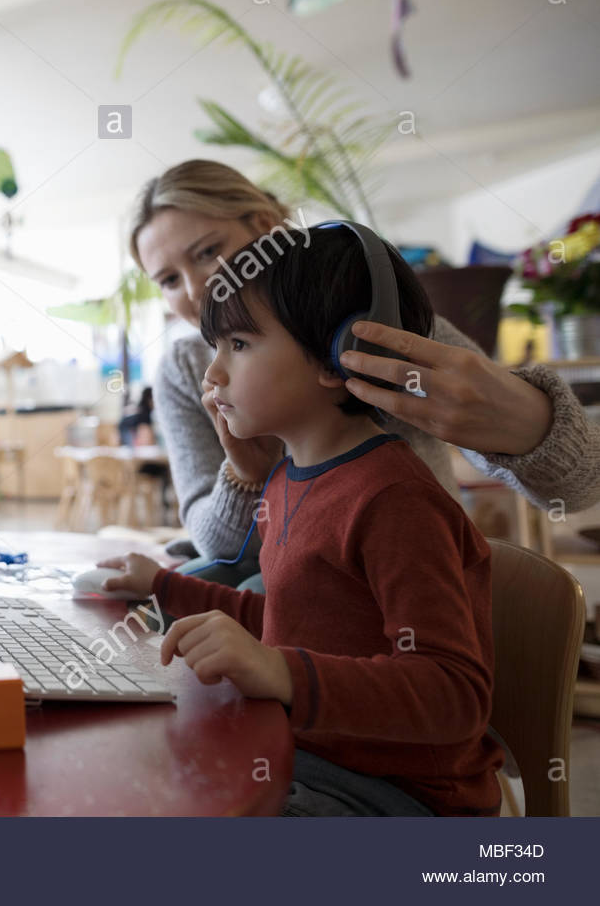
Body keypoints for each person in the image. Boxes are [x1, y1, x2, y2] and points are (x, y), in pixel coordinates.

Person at [100, 226, 502, 816]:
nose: (212, 375)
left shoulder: (394, 499)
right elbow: (302, 625)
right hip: (312, 757)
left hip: (396, 794)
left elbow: (455, 693)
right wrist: (164, 587)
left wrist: (276, 669)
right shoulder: (289, 478)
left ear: (341, 356)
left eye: (238, 343)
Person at [132, 160, 600, 589]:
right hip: (274, 597)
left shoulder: (385, 331)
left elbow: (581, 487)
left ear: (264, 227)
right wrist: (245, 478)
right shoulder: (186, 369)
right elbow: (216, 541)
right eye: (169, 280)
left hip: (402, 589)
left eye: (207, 251)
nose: (197, 289)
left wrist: (530, 424)